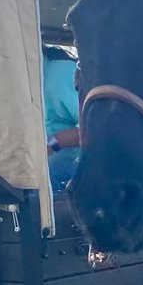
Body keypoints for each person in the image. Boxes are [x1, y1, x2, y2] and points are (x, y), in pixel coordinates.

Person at [42, 44, 85, 191]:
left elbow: (90, 128)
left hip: (79, 154)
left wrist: (51, 143)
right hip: (45, 153)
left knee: (44, 174)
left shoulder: (60, 73)